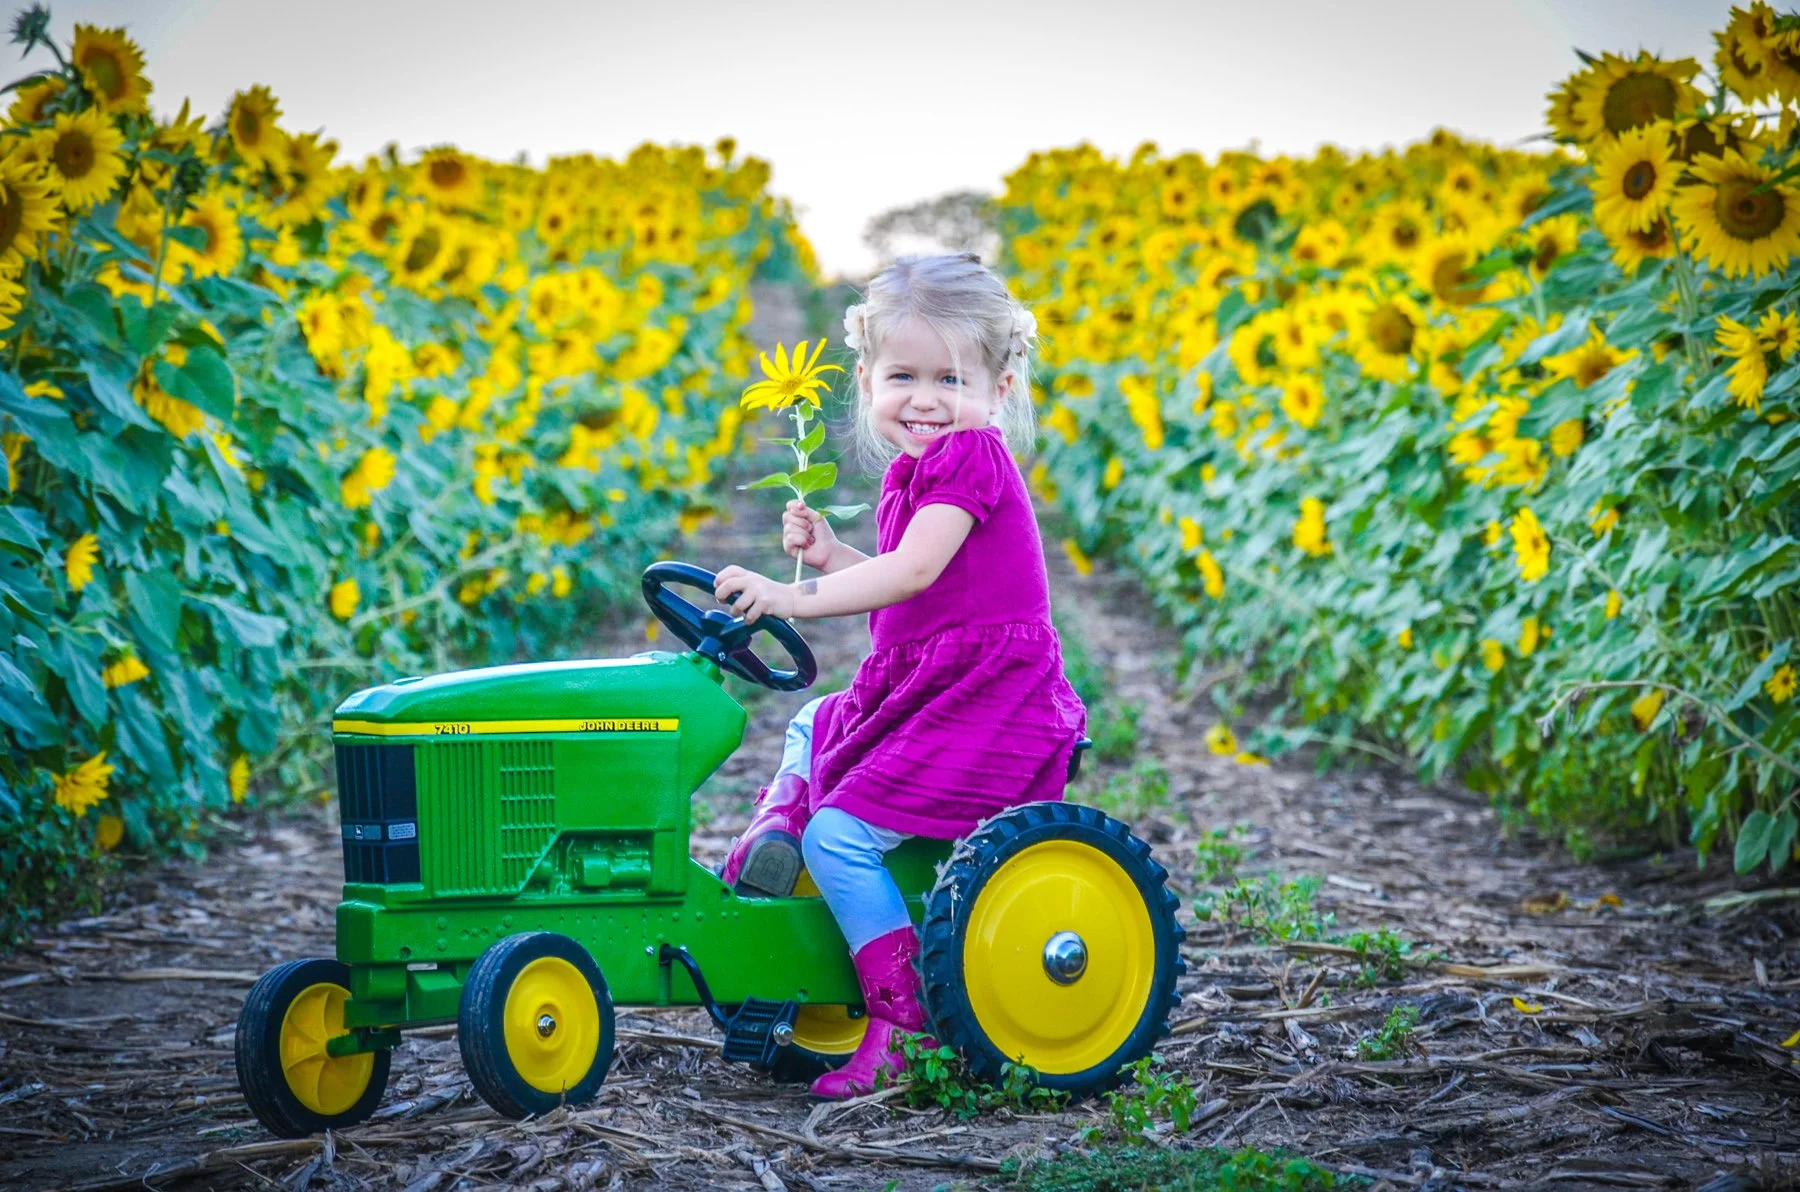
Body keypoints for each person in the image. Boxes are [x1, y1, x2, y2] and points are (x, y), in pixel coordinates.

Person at [712, 252, 1087, 1099]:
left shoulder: (972, 459)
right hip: (936, 685)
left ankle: (901, 1017)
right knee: (814, 722)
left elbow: (913, 575)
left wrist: (793, 595)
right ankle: (775, 836)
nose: (925, 398)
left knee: (840, 838)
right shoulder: (913, 474)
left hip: (988, 701)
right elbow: (914, 584)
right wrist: (832, 554)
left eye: (950, 378)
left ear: (999, 386)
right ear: (869, 379)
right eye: (903, 375)